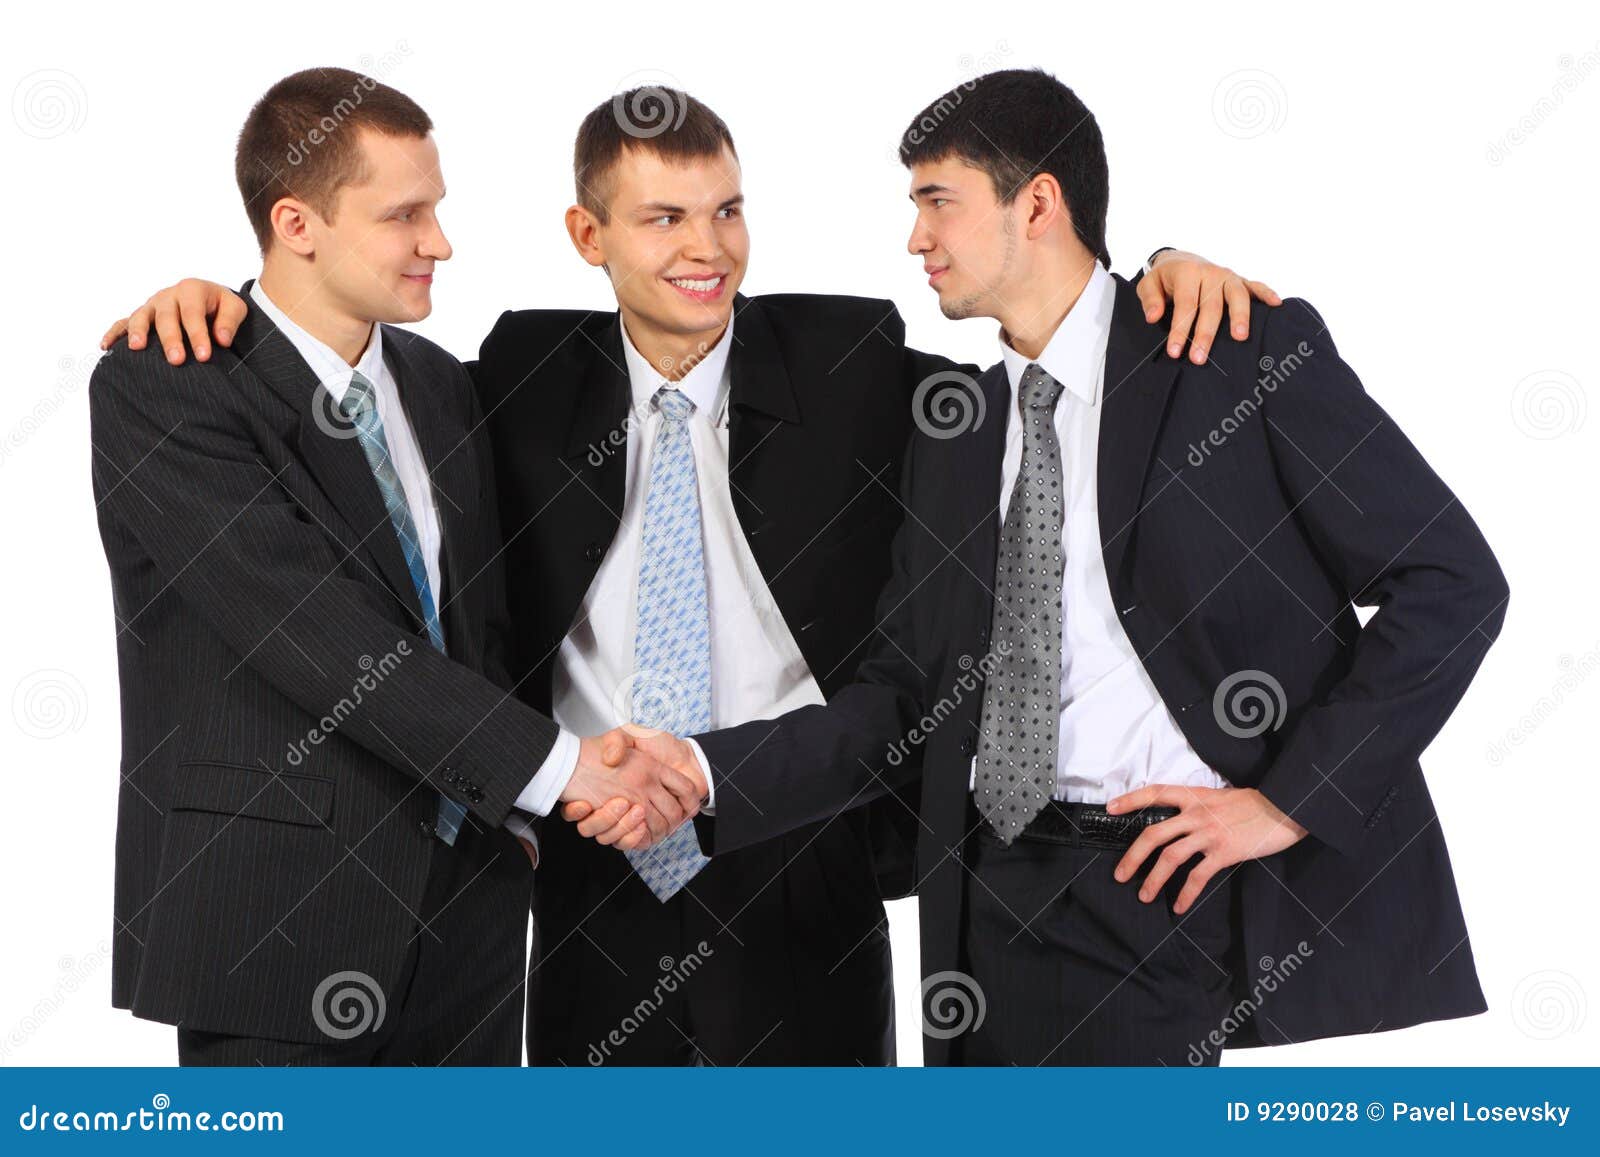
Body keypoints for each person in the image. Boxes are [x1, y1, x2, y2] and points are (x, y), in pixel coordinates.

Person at [99, 84, 1275, 1065]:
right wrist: (219, 303)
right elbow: (325, 415)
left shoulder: (852, 360)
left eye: (726, 212)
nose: (703, 249)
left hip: (797, 861)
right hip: (580, 868)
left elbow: (1041, 334)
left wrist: (1162, 268)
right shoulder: (502, 374)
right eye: (662, 217)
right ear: (586, 236)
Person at [580, 69, 1511, 1066]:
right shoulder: (957, 428)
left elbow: (1450, 581)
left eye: (937, 201)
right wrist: (707, 766)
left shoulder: (1234, 355)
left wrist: (1288, 800)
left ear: (1036, 203)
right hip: (978, 900)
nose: (915, 239)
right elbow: (900, 694)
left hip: (1162, 884)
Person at [89, 67, 698, 1066]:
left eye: (438, 208)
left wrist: (530, 812)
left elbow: (479, 630)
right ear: (297, 223)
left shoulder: (439, 382)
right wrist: (562, 768)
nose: (440, 242)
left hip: (473, 919)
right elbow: (318, 634)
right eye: (404, 214)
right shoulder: (170, 388)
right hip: (279, 922)